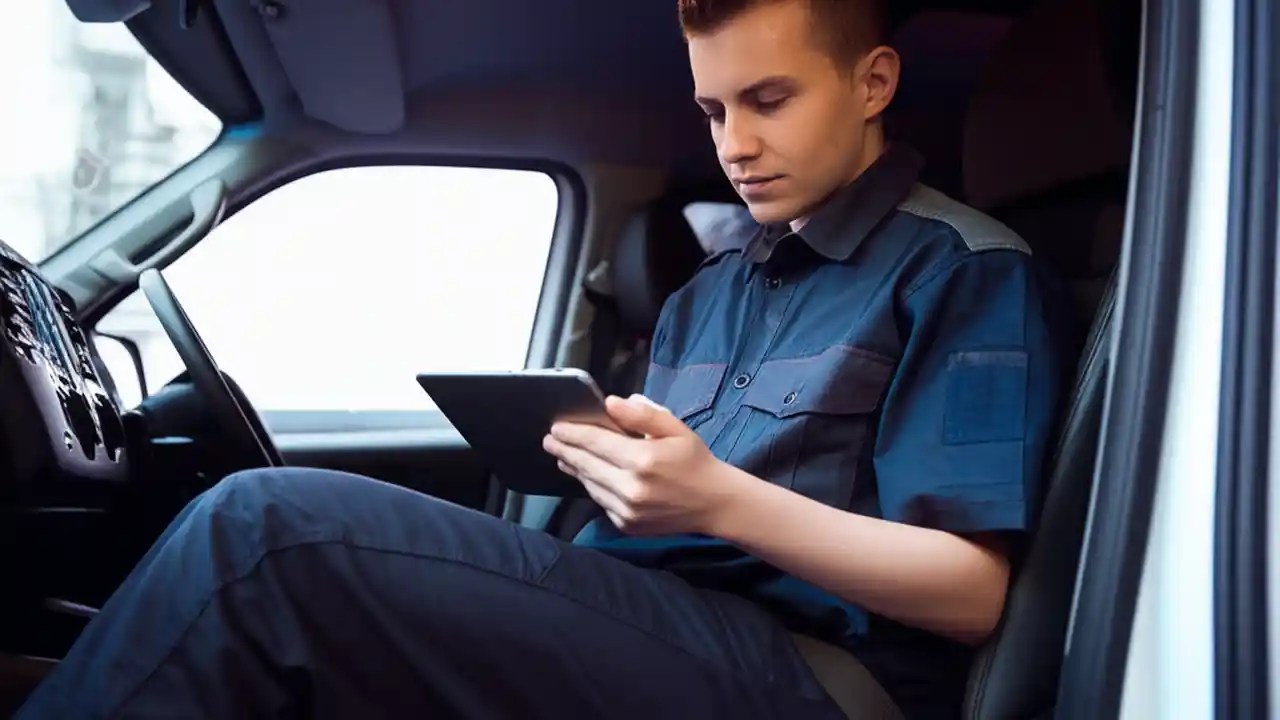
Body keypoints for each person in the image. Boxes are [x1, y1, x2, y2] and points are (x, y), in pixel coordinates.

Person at [18, 0, 1068, 717]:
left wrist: (713, 502)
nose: (733, 144)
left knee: (265, 533)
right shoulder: (713, 289)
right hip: (649, 621)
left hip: (809, 679)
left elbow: (970, 593)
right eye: (711, 109)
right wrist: (602, 468)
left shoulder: (964, 272)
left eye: (768, 100)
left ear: (873, 81)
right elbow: (664, 505)